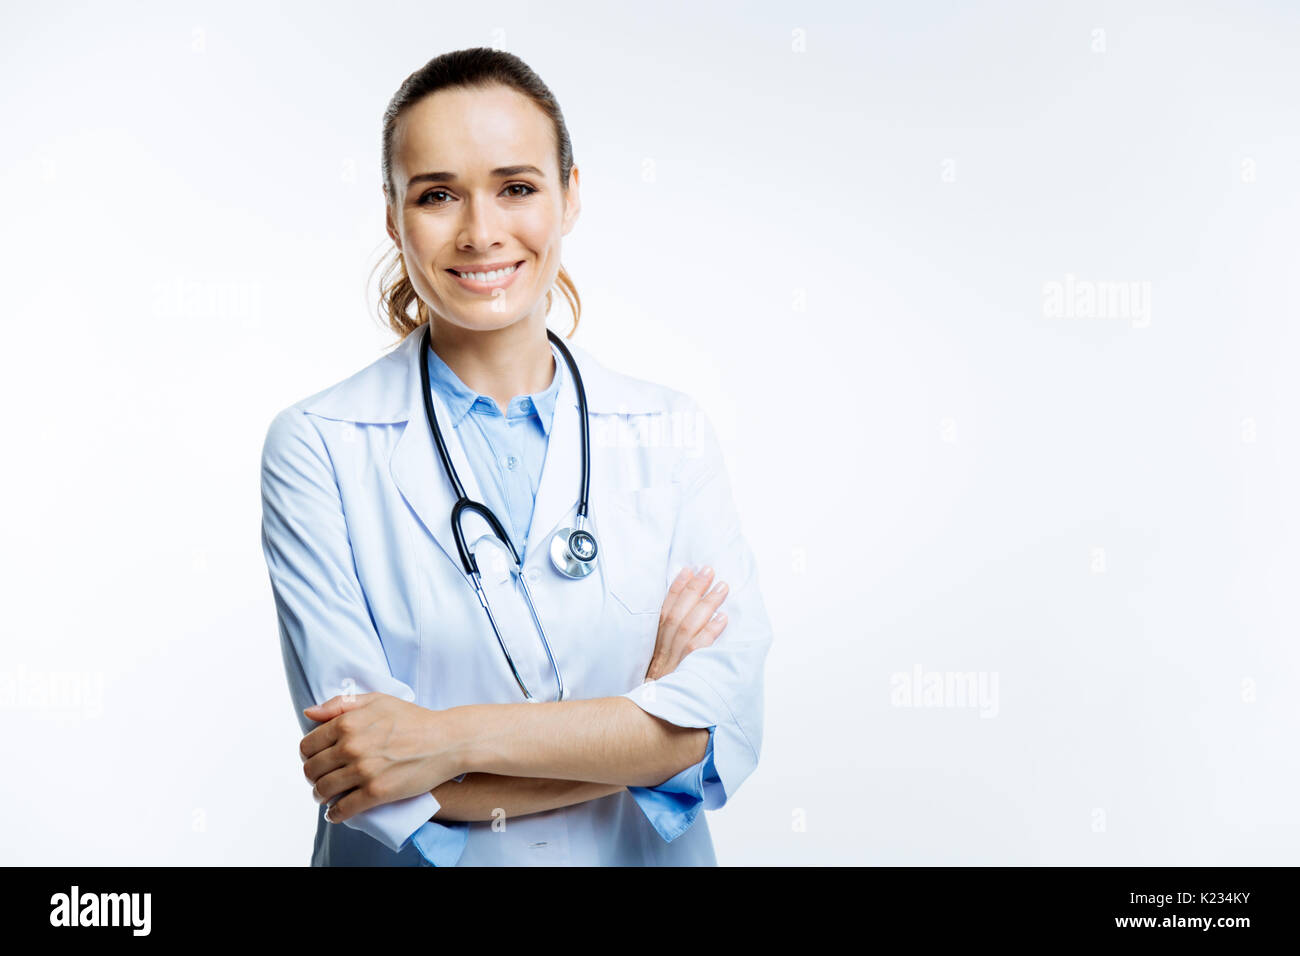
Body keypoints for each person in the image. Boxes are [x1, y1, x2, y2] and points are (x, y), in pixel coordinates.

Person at [259, 47, 773, 866]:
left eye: (517, 187)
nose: (480, 232)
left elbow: (707, 732)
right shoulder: (318, 445)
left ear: (570, 195)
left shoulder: (669, 431)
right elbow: (369, 771)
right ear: (393, 217)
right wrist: (636, 731)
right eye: (436, 195)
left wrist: (443, 739)